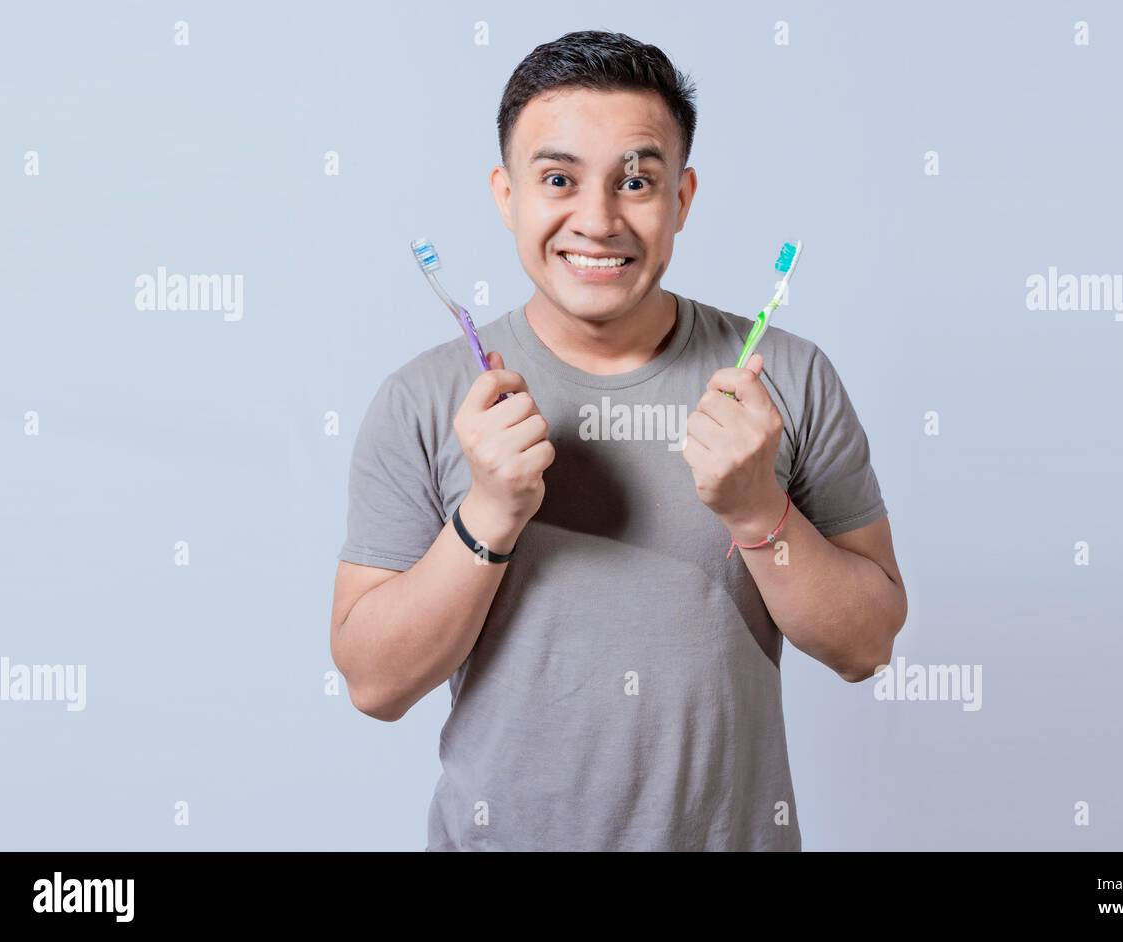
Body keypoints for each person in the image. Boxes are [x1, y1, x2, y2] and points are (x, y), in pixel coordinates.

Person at [329, 30, 907, 851]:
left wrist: (758, 512)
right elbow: (373, 683)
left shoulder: (787, 378)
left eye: (636, 181)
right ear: (506, 195)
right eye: (558, 180)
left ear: (682, 198)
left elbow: (867, 646)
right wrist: (487, 514)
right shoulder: (423, 399)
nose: (597, 221)